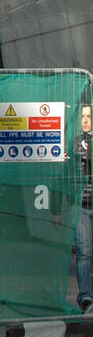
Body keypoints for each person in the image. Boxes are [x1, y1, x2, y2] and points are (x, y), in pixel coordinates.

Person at [75, 105, 92, 313]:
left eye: (89, 116)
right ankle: (86, 297)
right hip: (82, 204)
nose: (86, 120)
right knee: (84, 251)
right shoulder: (77, 141)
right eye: (83, 117)